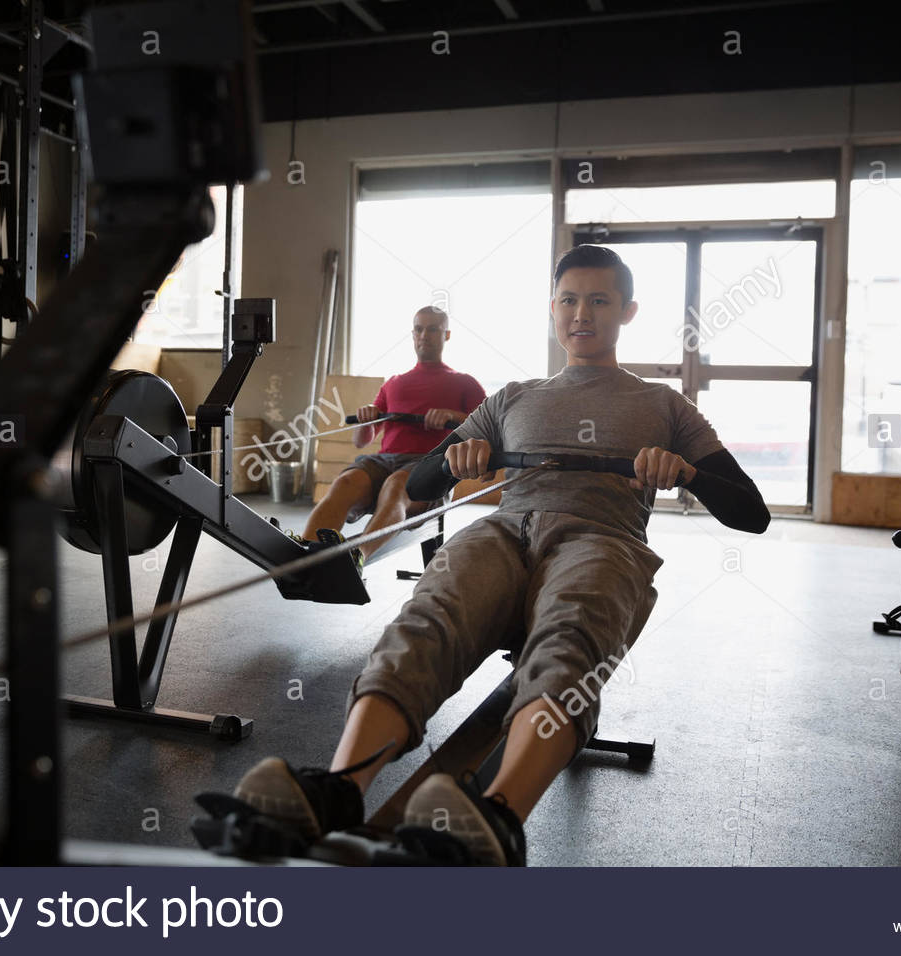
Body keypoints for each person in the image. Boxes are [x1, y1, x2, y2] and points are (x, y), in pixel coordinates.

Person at [216, 245, 771, 865]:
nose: (581, 313)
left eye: (599, 300)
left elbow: (752, 513)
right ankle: (342, 787)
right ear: (552, 308)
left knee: (571, 637)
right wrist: (455, 461)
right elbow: (419, 482)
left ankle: (499, 818)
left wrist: (686, 470)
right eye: (568, 299)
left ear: (627, 311)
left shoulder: (665, 405)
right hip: (505, 531)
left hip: (602, 537)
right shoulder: (512, 397)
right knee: (429, 616)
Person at [299, 306, 485, 562]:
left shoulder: (465, 383)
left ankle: (356, 559)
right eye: (419, 329)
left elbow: (487, 430)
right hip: (383, 461)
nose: (424, 335)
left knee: (396, 485)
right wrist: (367, 420)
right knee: (345, 483)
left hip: (429, 463)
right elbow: (360, 441)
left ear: (447, 335)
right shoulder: (394, 383)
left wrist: (453, 416)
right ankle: (301, 556)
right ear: (412, 334)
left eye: (432, 329)